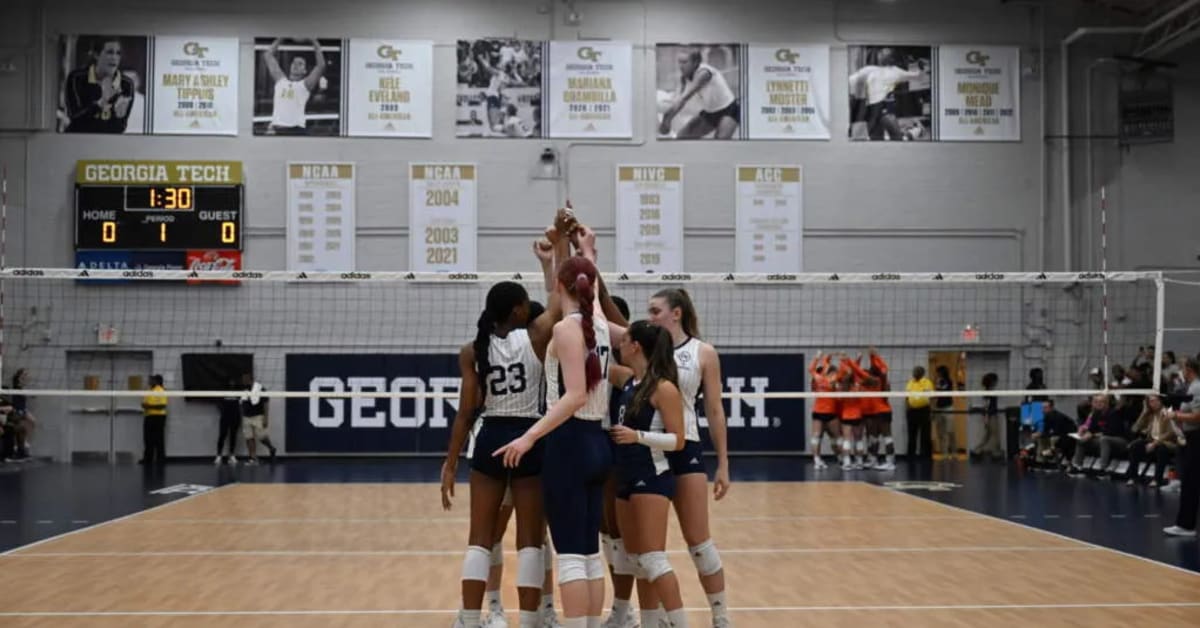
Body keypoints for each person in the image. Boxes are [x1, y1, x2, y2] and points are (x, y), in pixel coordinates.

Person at [494, 241, 623, 628]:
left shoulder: (569, 330)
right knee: (587, 555)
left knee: (569, 555)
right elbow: (586, 295)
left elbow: (575, 395)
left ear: (561, 288)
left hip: (569, 445)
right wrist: (573, 257)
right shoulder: (598, 324)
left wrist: (528, 437)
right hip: (598, 445)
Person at [445, 229, 563, 628]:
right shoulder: (536, 337)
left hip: (490, 437)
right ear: (516, 310)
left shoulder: (471, 351)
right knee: (531, 540)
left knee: (480, 537)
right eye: (522, 306)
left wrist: (448, 464)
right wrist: (553, 255)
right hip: (529, 437)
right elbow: (560, 300)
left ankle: (467, 618)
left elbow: (464, 414)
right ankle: (531, 620)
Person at [645, 288, 733, 627]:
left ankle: (720, 616)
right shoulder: (644, 346)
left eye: (656, 311)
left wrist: (723, 464)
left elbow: (714, 409)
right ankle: (663, 617)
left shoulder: (703, 352)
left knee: (699, 541)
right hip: (649, 448)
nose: (650, 317)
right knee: (650, 547)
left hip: (686, 447)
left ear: (676, 313)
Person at [608, 321, 688, 628]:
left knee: (653, 558)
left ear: (636, 346)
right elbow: (596, 356)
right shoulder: (628, 379)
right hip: (625, 476)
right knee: (635, 559)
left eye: (625, 340)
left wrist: (638, 436)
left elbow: (678, 440)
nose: (620, 346)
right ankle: (651, 623)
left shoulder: (664, 388)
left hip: (652, 476)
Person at [658, 48, 740, 139]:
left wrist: (667, 119)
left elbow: (684, 99)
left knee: (719, 142)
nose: (681, 66)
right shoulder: (685, 78)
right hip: (709, 113)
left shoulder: (704, 73)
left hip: (729, 110)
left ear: (695, 62)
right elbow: (678, 100)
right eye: (679, 62)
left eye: (685, 62)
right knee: (682, 137)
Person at [63, 37, 136, 133]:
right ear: (96, 55)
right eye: (110, 52)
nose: (114, 57)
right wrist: (101, 102)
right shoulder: (76, 78)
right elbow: (75, 119)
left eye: (118, 53)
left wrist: (119, 117)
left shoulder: (127, 84)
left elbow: (120, 128)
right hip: (77, 140)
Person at [1164, 357, 1200, 537]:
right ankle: (1185, 524)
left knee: (1191, 482)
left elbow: (1197, 416)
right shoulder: (1192, 387)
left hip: (1196, 438)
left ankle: (1186, 526)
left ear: (1189, 369)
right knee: (1190, 482)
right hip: (1191, 438)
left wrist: (1175, 415)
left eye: (1182, 368)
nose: (1181, 371)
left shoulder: (1197, 387)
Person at [261, 38, 326, 135]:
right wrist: (281, 38)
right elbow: (268, 56)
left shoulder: (304, 85)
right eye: (294, 62)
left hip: (296, 130)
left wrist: (314, 41)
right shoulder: (281, 81)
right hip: (278, 130)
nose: (296, 65)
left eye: (300, 64)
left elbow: (320, 65)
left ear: (305, 71)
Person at [1124, 395, 1179, 487]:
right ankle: (1133, 477)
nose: (1153, 403)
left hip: (1167, 443)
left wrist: (1155, 443)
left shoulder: (1168, 412)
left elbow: (1170, 433)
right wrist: (1143, 412)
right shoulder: (1150, 415)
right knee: (1135, 446)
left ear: (1160, 401)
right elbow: (1134, 429)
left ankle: (1157, 479)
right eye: (1151, 401)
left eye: (1155, 400)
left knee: (1161, 449)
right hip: (1152, 441)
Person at [809, 353, 840, 470]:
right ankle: (817, 460)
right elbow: (813, 369)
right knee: (817, 436)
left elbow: (812, 369)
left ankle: (841, 458)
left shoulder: (826, 380)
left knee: (835, 437)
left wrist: (822, 358)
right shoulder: (821, 379)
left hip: (830, 412)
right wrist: (824, 359)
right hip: (821, 412)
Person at [240, 372, 278, 465]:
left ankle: (271, 448)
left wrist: (266, 418)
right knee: (249, 437)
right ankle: (252, 458)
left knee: (262, 437)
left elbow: (266, 403)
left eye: (245, 378)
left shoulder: (260, 389)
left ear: (250, 379)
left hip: (258, 416)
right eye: (242, 379)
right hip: (246, 416)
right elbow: (241, 403)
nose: (243, 380)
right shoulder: (243, 389)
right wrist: (242, 414)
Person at [905, 365, 933, 463]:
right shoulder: (910, 383)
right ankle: (910, 457)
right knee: (911, 435)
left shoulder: (927, 382)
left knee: (925, 435)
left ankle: (926, 457)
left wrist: (931, 411)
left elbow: (931, 397)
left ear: (921, 373)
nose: (914, 373)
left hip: (924, 410)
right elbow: (907, 397)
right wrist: (908, 408)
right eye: (914, 371)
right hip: (912, 411)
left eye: (916, 371)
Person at [140, 375, 168, 466]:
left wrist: (149, 406)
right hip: (149, 416)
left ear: (156, 381)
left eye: (151, 380)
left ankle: (160, 460)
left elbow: (162, 405)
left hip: (158, 417)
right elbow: (144, 404)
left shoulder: (160, 391)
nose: (149, 381)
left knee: (159, 439)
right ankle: (148, 459)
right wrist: (145, 406)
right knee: (148, 439)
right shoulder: (150, 391)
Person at [215, 377, 241, 465]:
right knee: (222, 435)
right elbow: (218, 403)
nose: (232, 382)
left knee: (233, 436)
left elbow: (242, 403)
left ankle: (232, 455)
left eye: (233, 381)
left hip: (235, 417)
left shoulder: (238, 391)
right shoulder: (223, 391)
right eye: (230, 381)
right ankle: (219, 455)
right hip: (225, 417)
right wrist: (223, 411)